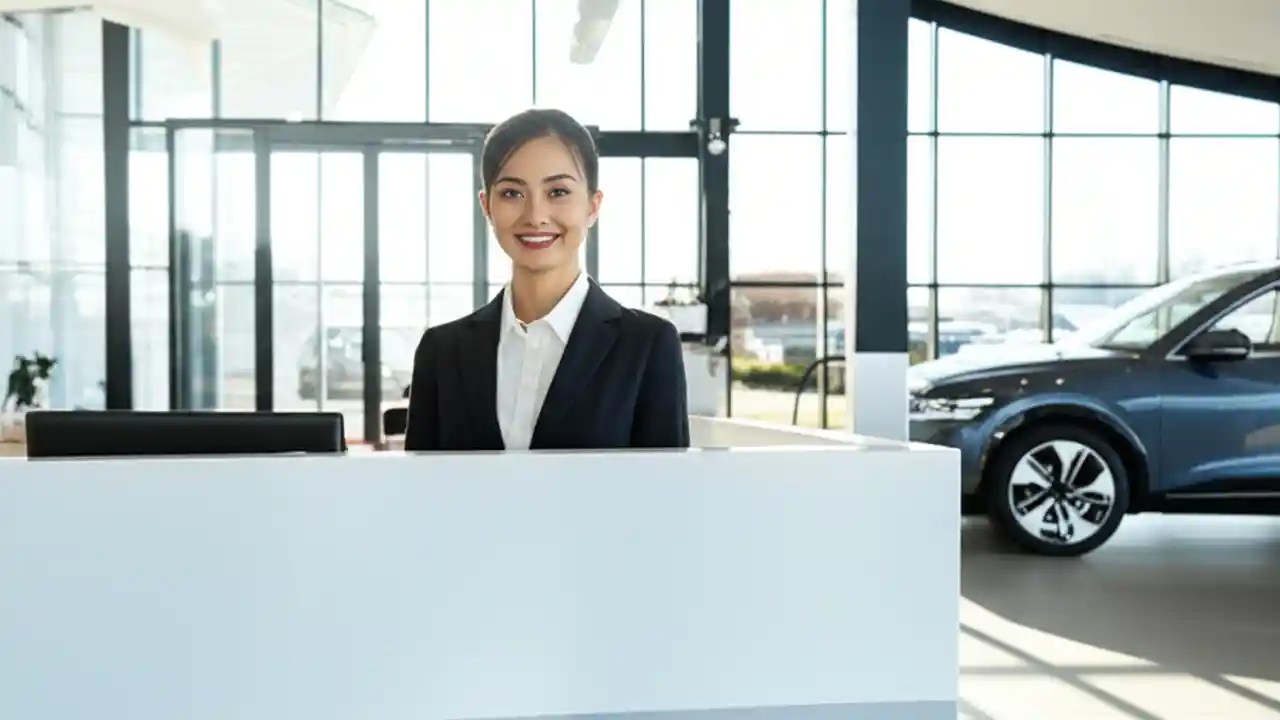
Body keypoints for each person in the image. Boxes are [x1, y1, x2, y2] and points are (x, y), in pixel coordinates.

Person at [404, 108, 690, 451]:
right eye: (512, 193)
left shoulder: (647, 346)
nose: (535, 216)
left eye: (558, 192)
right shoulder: (442, 352)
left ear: (593, 205)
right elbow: (421, 494)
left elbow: (664, 494)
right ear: (487, 206)